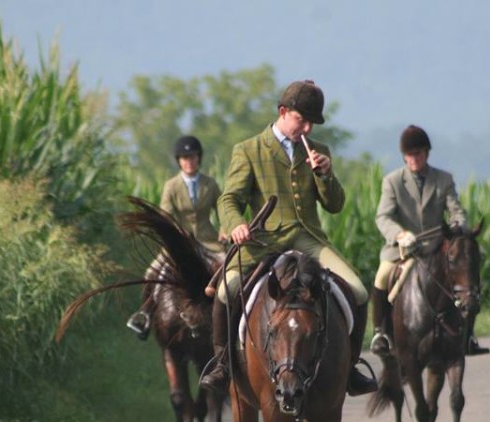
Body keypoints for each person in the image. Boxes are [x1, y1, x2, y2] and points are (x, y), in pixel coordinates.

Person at [199, 80, 377, 397]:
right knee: (226, 291)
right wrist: (237, 224)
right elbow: (229, 200)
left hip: (307, 237)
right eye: (302, 120)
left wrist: (326, 176)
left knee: (359, 291)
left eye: (312, 123)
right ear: (283, 112)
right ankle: (222, 363)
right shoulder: (249, 150)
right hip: (262, 242)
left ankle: (350, 369)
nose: (307, 128)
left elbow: (335, 206)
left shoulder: (319, 151)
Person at [371, 124, 489, 357]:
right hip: (402, 249)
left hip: (436, 246)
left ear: (427, 153)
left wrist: (458, 224)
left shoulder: (443, 180)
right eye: (409, 155)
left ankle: (468, 336)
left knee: (467, 277)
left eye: (418, 154)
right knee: (382, 276)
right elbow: (383, 216)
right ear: (404, 156)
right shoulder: (392, 181)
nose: (413, 159)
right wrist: (399, 235)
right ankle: (380, 332)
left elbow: (457, 211)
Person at [126, 135, 226, 340]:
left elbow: (224, 209)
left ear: (199, 158)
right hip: (181, 244)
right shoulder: (171, 186)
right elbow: (165, 214)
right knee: (151, 272)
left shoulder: (211, 184)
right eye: (185, 158)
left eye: (193, 157)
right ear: (179, 160)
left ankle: (233, 314)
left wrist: (225, 227)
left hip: (209, 241)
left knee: (228, 268)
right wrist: (175, 231)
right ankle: (145, 315)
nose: (189, 161)